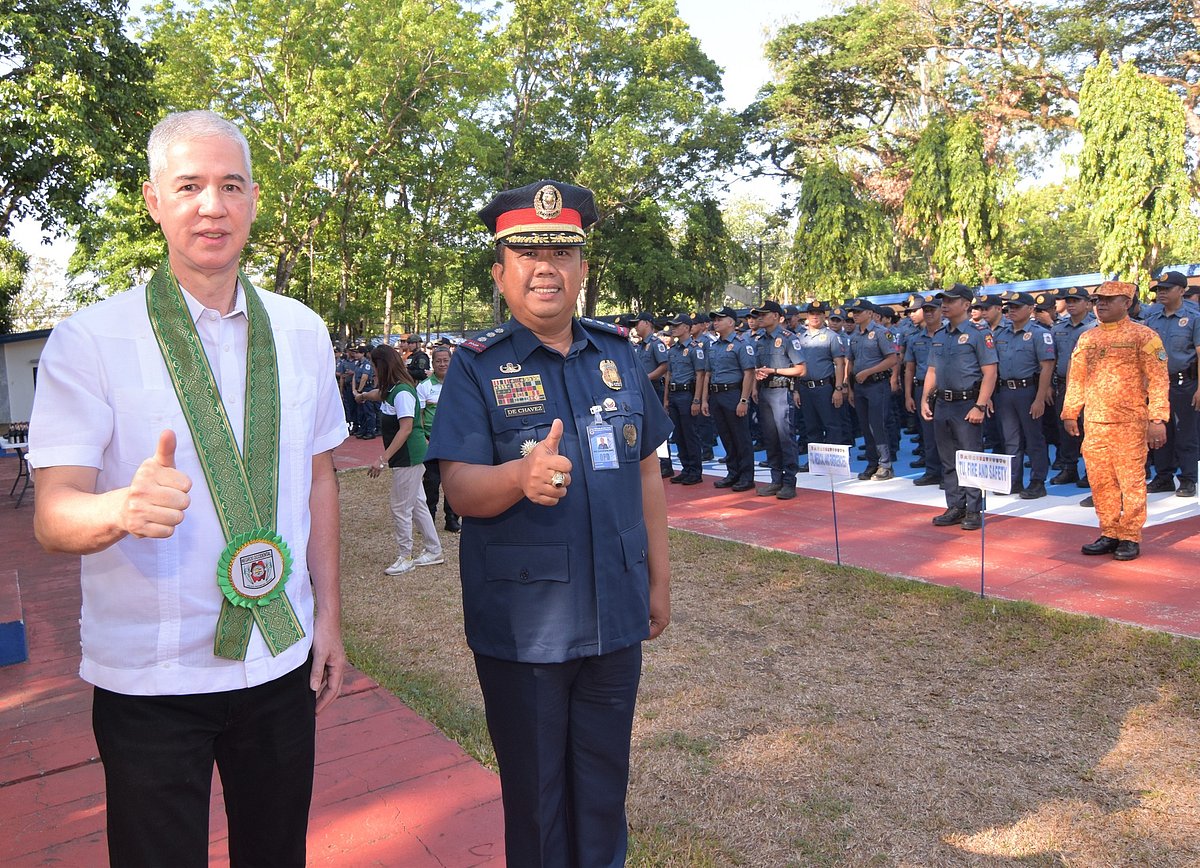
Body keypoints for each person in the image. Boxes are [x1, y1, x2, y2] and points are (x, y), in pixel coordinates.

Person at [27, 110, 345, 867]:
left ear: (255, 200)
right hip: (150, 679)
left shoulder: (302, 331)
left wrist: (329, 616)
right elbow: (52, 514)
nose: (213, 205)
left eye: (231, 185)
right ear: (153, 200)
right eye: (190, 185)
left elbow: (318, 476)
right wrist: (118, 509)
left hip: (278, 661)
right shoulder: (90, 340)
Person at [425, 179, 672, 868]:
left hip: (615, 613)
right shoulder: (475, 370)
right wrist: (518, 478)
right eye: (525, 253)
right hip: (525, 627)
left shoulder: (619, 355)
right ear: (501, 271)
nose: (545, 267)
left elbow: (647, 471)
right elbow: (461, 489)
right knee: (537, 803)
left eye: (561, 253)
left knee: (603, 791)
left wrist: (659, 581)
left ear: (583, 269)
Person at [1062, 280, 1170, 561]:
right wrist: (1070, 412)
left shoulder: (1144, 336)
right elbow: (1076, 379)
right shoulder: (1088, 338)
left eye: (1110, 299)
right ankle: (1109, 531)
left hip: (1130, 423)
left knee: (1131, 482)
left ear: (1127, 303)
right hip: (1095, 423)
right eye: (1099, 299)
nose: (1102, 304)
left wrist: (1157, 418)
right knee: (1100, 481)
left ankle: (1130, 535)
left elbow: (1159, 380)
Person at [360, 345, 444, 573]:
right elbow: (379, 394)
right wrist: (363, 396)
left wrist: (382, 458)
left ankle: (405, 557)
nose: (374, 370)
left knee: (400, 508)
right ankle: (434, 550)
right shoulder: (394, 389)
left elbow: (406, 429)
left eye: (375, 365)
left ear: (382, 366)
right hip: (406, 457)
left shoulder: (403, 393)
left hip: (408, 457)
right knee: (417, 504)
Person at [921, 284, 998, 531]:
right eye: (943, 300)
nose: (945, 304)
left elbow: (990, 373)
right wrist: (925, 399)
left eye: (951, 300)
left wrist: (980, 405)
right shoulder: (940, 336)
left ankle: (974, 509)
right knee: (948, 459)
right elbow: (932, 371)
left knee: (971, 458)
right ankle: (955, 505)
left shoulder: (979, 334)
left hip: (967, 404)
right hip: (943, 403)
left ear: (966, 304)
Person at [991, 290, 1055, 499]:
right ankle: (1014, 479)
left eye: (1017, 307)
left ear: (1031, 309)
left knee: (1033, 437)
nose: (1012, 311)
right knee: (1010, 438)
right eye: (1010, 307)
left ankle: (1038, 481)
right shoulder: (1000, 334)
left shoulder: (1039, 333)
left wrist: (1040, 397)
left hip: (1028, 390)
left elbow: (1047, 366)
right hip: (1005, 391)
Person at [1143, 271, 1200, 498]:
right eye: (1159, 290)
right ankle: (1163, 476)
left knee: (1186, 433)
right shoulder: (1151, 321)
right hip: (1157, 386)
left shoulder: (1194, 318)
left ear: (1182, 290)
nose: (1162, 293)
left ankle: (1187, 479)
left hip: (1184, 383)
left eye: (1167, 289)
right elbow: (1148, 356)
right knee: (1159, 432)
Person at [752, 300, 807, 499]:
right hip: (766, 392)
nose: (759, 317)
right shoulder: (760, 340)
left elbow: (801, 369)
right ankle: (776, 480)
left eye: (764, 314)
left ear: (776, 316)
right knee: (770, 437)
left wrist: (774, 371)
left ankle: (789, 482)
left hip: (782, 391)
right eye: (758, 314)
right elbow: (757, 367)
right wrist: (757, 382)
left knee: (785, 437)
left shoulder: (788, 338)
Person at [700, 305, 756, 491]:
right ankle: (733, 473)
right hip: (716, 395)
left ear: (731, 322)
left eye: (719, 319)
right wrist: (705, 400)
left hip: (733, 394)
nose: (715, 323)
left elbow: (749, 373)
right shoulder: (713, 346)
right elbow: (707, 373)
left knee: (741, 437)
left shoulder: (741, 344)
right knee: (726, 436)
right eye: (714, 320)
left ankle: (747, 477)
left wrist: (743, 400)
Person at [844, 298, 898, 481]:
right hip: (859, 386)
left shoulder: (882, 333)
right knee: (865, 426)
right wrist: (849, 387)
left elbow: (892, 359)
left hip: (877, 384)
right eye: (854, 312)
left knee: (878, 425)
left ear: (869, 313)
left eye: (859, 312)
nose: (855, 315)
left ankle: (886, 464)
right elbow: (849, 363)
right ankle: (872, 463)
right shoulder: (854, 337)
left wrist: (868, 372)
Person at [1050, 286, 1096, 487]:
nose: (1071, 304)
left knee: (1088, 429)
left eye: (1076, 300)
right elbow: (1053, 359)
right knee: (1065, 427)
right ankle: (1069, 467)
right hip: (1063, 384)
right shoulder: (1057, 328)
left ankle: (1090, 470)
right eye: (1068, 300)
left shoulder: (1095, 328)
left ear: (1087, 303)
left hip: (1089, 385)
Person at [794, 300, 847, 470]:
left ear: (824, 316)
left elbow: (839, 363)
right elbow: (796, 366)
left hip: (825, 386)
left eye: (818, 314)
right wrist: (795, 390)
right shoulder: (800, 338)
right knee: (811, 426)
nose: (815, 317)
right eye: (811, 314)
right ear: (807, 316)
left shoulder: (831, 336)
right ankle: (815, 462)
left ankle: (832, 463)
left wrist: (839, 388)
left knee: (831, 424)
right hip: (804, 387)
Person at [419, 345, 461, 531]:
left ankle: (452, 519)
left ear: (451, 361)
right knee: (431, 482)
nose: (442, 364)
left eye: (446, 360)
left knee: (454, 482)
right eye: (438, 361)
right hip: (432, 441)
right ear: (432, 363)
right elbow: (418, 416)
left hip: (456, 440)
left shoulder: (462, 384)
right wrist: (424, 440)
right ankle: (428, 522)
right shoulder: (424, 386)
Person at [904, 294, 944, 487]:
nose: (928, 313)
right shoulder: (915, 338)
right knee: (927, 433)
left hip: (945, 389)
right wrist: (908, 395)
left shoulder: (948, 334)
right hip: (922, 389)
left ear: (940, 311)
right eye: (925, 310)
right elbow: (909, 368)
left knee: (946, 434)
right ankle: (933, 471)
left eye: (932, 310)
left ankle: (948, 474)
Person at [663, 314, 706, 485]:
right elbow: (669, 374)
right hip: (674, 394)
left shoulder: (696, 348)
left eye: (677, 325)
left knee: (690, 433)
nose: (673, 328)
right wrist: (666, 398)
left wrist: (697, 400)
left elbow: (700, 375)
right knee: (679, 434)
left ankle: (695, 470)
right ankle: (686, 468)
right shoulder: (673, 350)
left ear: (687, 328)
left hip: (688, 394)